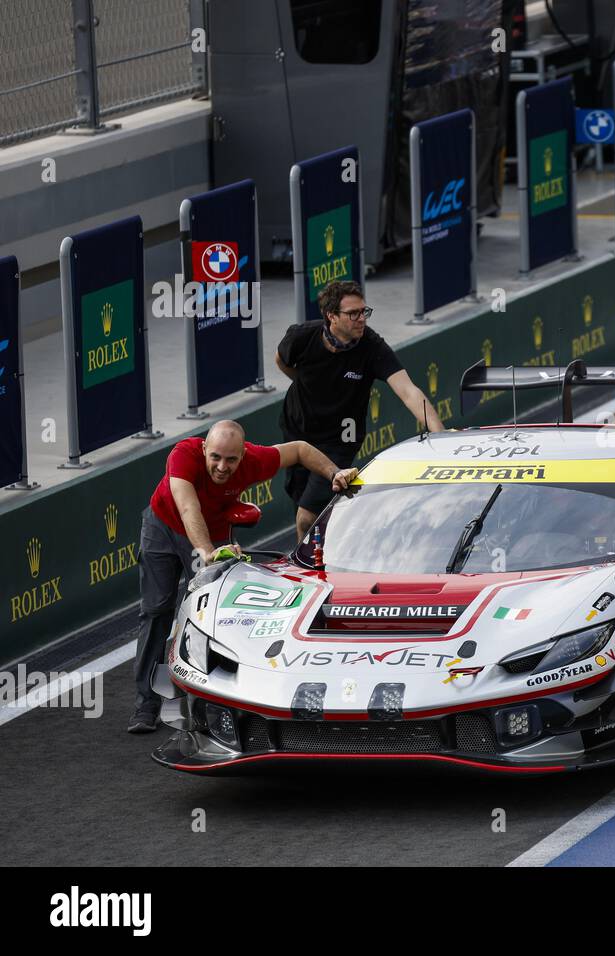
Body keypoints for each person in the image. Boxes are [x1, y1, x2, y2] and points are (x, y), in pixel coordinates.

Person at [128, 420, 358, 732]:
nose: (223, 467)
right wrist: (207, 551)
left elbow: (301, 450)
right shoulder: (183, 455)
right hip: (164, 526)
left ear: (243, 456)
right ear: (204, 449)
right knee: (156, 611)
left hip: (213, 533)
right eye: (216, 458)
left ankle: (212, 702)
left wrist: (335, 473)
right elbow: (187, 508)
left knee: (210, 614)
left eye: (232, 459)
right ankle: (146, 704)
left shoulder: (256, 460)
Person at [276, 280, 443, 539]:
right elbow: (282, 360)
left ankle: (304, 575)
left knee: (306, 518)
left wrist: (441, 436)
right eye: (353, 313)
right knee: (311, 512)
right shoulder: (301, 336)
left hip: (339, 441)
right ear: (331, 316)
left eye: (364, 311)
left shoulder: (372, 347)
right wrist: (306, 385)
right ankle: (329, 556)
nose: (361, 319)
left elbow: (409, 392)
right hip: (297, 433)